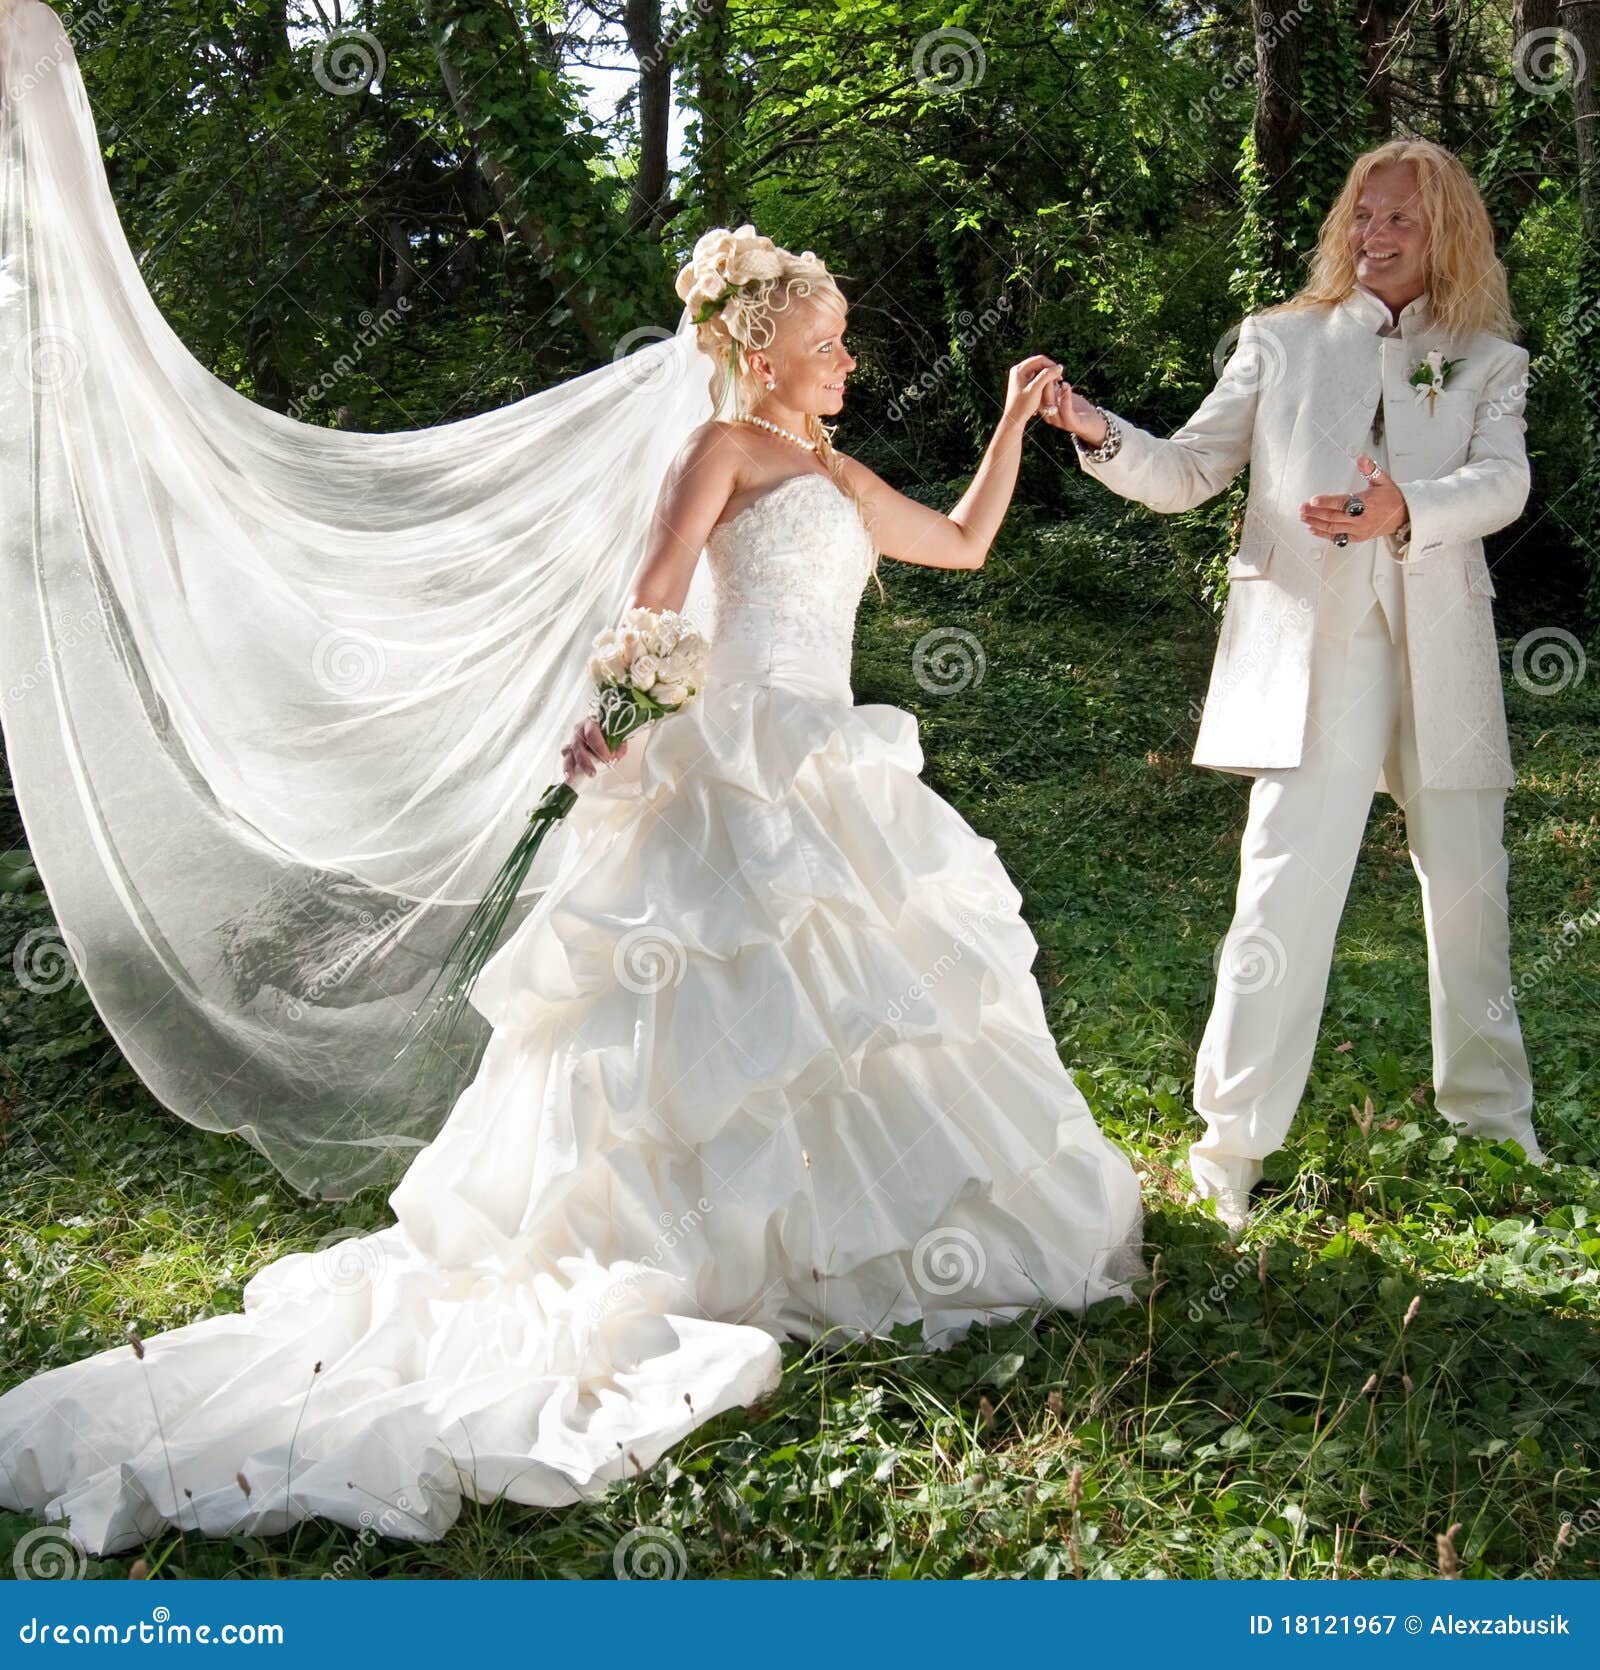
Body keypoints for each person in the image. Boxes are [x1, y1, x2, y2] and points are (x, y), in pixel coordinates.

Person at [0, 223, 1146, 1555]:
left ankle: (850, 1229)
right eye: (826, 343)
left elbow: (958, 543)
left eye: (842, 343)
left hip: (831, 766)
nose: (846, 361)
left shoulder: (837, 466)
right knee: (712, 1019)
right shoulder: (720, 449)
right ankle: (698, 1246)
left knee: (869, 1003)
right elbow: (656, 603)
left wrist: (1013, 420)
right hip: (732, 762)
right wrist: (625, 708)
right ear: (762, 351)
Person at [1043, 139, 1543, 1237]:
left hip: (1440, 645)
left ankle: (1496, 1127)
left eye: (1400, 219)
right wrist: (1096, 430)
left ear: (1446, 228)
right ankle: (1228, 1146)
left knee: (1471, 891)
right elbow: (1184, 473)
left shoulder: (1486, 357)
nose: (1374, 235)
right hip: (1311, 650)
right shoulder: (1275, 340)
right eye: (1362, 217)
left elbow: (1504, 481)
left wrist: (1403, 505)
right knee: (1279, 889)